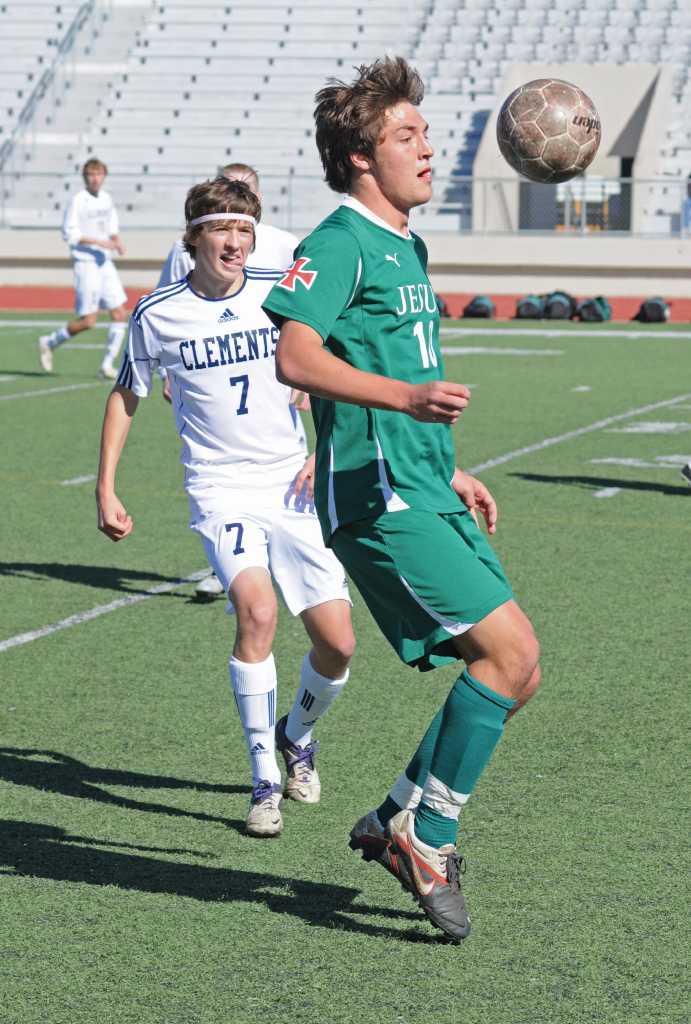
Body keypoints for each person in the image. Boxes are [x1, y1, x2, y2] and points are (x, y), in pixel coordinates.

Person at [263, 57, 541, 940]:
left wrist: (444, 462)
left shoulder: (407, 246)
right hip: (379, 500)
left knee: (518, 673)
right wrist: (408, 402)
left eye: (425, 132)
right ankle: (428, 836)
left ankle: (394, 817)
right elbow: (296, 356)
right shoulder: (337, 243)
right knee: (506, 655)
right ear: (359, 157)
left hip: (423, 483)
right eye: (406, 135)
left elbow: (393, 368)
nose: (427, 148)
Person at [95, 177, 355, 838]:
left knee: (338, 645)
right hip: (220, 487)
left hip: (291, 483)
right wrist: (106, 487)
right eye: (222, 230)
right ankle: (264, 779)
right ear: (193, 239)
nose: (235, 243)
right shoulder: (158, 313)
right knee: (257, 611)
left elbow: (334, 364)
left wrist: (322, 449)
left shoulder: (279, 293)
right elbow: (127, 394)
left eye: (244, 230)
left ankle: (297, 735)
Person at [156, 162, 300, 600]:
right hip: (213, 375)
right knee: (222, 474)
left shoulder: (283, 244)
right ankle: (229, 567)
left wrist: (305, 374)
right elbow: (168, 308)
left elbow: (307, 312)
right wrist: (169, 370)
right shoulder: (191, 245)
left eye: (244, 188)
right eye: (229, 185)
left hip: (271, 382)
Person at [38, 158, 128, 379]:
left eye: (98, 174)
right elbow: (69, 233)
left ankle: (107, 365)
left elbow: (112, 228)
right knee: (89, 320)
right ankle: (50, 342)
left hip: (104, 261)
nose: (95, 178)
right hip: (86, 263)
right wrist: (98, 242)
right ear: (85, 178)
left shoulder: (106, 199)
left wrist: (116, 241)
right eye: (91, 174)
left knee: (120, 313)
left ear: (104, 176)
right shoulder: (78, 200)